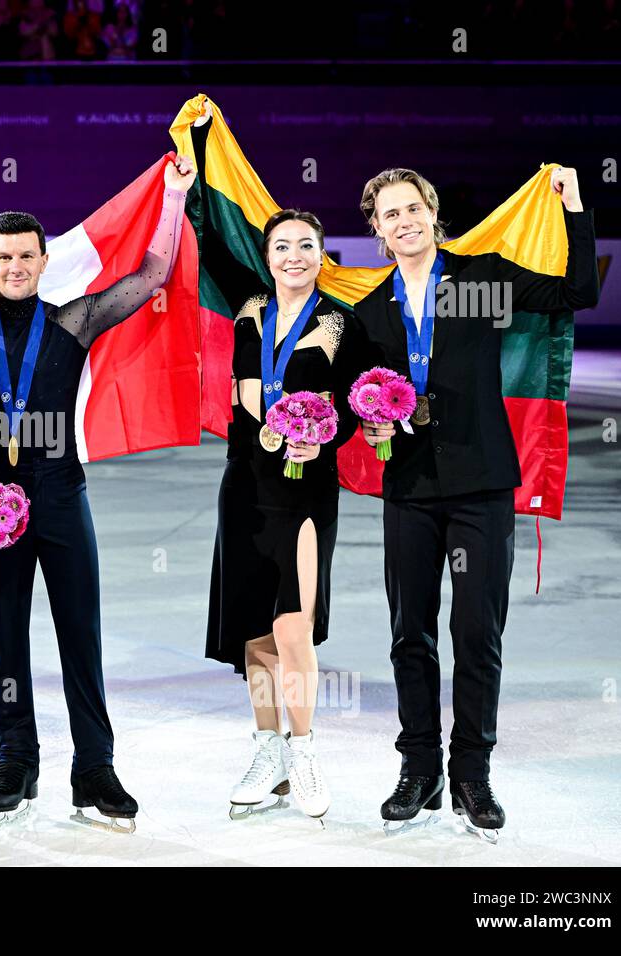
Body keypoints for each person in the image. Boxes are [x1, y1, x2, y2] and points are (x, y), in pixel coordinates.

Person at [355, 166, 598, 840]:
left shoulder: (478, 283)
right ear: (376, 230)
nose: (403, 222)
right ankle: (419, 770)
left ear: (433, 213)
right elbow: (358, 396)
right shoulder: (372, 310)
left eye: (412, 208)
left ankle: (472, 776)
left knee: (476, 635)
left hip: (482, 485)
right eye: (388, 214)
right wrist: (367, 422)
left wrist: (574, 205)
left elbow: (579, 290)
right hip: (407, 489)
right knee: (411, 635)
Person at [0, 152, 194, 832]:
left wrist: (172, 198)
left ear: (42, 259)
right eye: (3, 259)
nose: (15, 268)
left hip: (61, 493)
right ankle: (16, 759)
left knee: (79, 637)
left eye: (25, 256)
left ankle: (94, 767)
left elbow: (150, 274)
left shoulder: (74, 320)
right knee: (5, 638)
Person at [205, 209, 367, 824]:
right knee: (254, 627)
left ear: (322, 255)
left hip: (304, 489)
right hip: (243, 481)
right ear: (267, 256)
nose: (293, 256)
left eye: (306, 245)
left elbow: (359, 399)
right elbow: (209, 240)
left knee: (293, 626)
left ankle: (302, 749)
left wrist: (329, 436)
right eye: (280, 246)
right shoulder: (250, 307)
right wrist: (190, 166)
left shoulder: (342, 323)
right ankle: (267, 746)